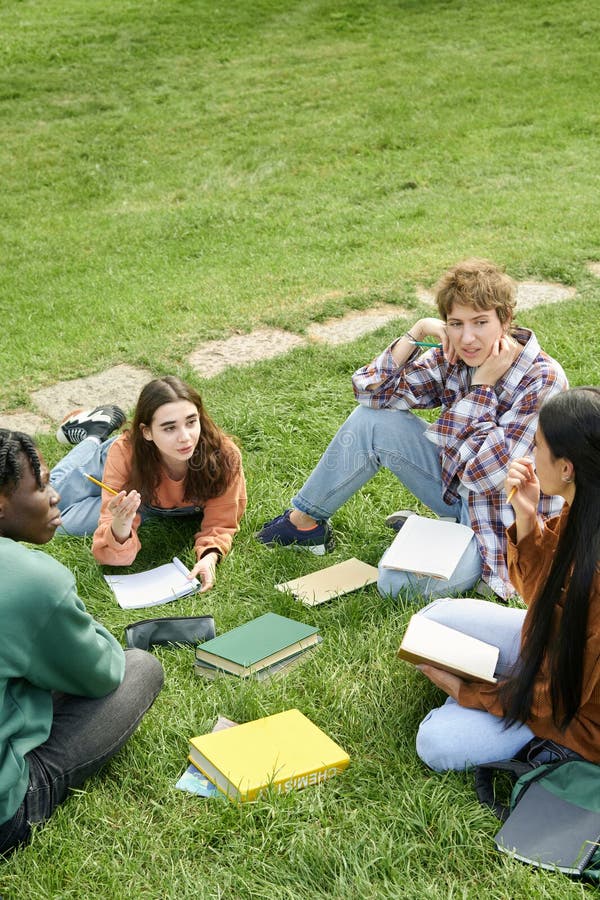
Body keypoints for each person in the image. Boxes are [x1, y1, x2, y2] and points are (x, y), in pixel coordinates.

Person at [256, 259, 567, 601]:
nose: (467, 338)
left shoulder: (543, 379)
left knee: (395, 584)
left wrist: (481, 389)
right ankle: (305, 523)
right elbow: (370, 392)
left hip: (499, 522)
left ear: (505, 320)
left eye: (480, 323)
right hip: (454, 490)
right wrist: (417, 332)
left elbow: (484, 477)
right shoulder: (456, 354)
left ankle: (443, 537)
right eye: (456, 323)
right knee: (371, 420)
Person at [415, 387, 600, 770]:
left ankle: (518, 719)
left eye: (537, 446)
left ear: (566, 468)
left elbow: (557, 701)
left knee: (437, 741)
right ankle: (500, 683)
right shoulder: (582, 508)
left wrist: (467, 691)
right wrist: (528, 517)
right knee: (432, 619)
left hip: (572, 713)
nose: (530, 456)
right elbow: (540, 596)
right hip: (548, 647)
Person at [0, 429, 164, 855]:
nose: (55, 497)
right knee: (141, 667)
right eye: (42, 486)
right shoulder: (32, 582)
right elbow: (104, 672)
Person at [50, 376, 247, 592]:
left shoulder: (224, 456)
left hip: (147, 499)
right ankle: (94, 434)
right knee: (49, 502)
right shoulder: (124, 453)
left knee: (61, 525)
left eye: (191, 422)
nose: (185, 437)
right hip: (116, 462)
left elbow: (222, 522)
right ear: (147, 432)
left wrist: (209, 557)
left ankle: (96, 436)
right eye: (169, 428)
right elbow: (109, 529)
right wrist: (120, 524)